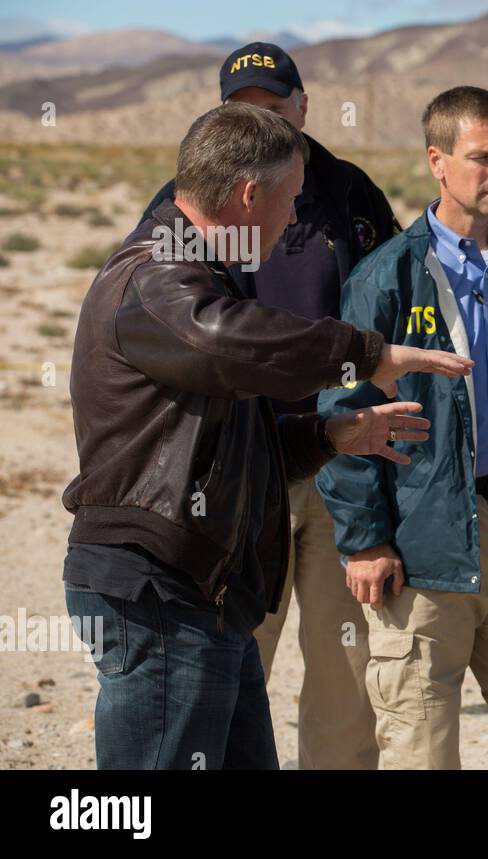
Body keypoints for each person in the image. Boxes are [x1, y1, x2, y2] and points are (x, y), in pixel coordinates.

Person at [62, 101, 472, 769]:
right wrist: (366, 354)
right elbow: (228, 340)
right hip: (160, 586)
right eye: (290, 198)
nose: (293, 218)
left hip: (208, 594)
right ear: (251, 194)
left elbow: (229, 448)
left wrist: (332, 434)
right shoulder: (156, 275)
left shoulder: (200, 275)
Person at [316, 86, 488, 769]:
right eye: (482, 157)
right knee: (421, 749)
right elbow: (340, 412)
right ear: (437, 162)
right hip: (424, 543)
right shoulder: (388, 276)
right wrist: (365, 538)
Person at [138, 41, 400, 769]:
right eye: (243, 115)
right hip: (235, 466)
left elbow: (391, 311)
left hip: (337, 463)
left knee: (345, 668)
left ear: (304, 106)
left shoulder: (351, 195)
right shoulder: (180, 204)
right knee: (229, 656)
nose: (263, 130)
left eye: (276, 111)